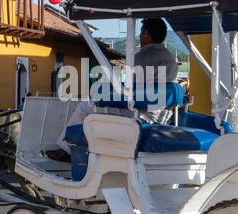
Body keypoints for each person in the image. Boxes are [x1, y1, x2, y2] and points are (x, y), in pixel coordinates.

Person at [44, 17, 180, 162]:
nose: (140, 36)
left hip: (140, 114)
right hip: (162, 116)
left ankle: (66, 149)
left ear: (146, 34)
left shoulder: (141, 58)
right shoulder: (171, 59)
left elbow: (130, 90)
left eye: (141, 32)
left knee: (87, 105)